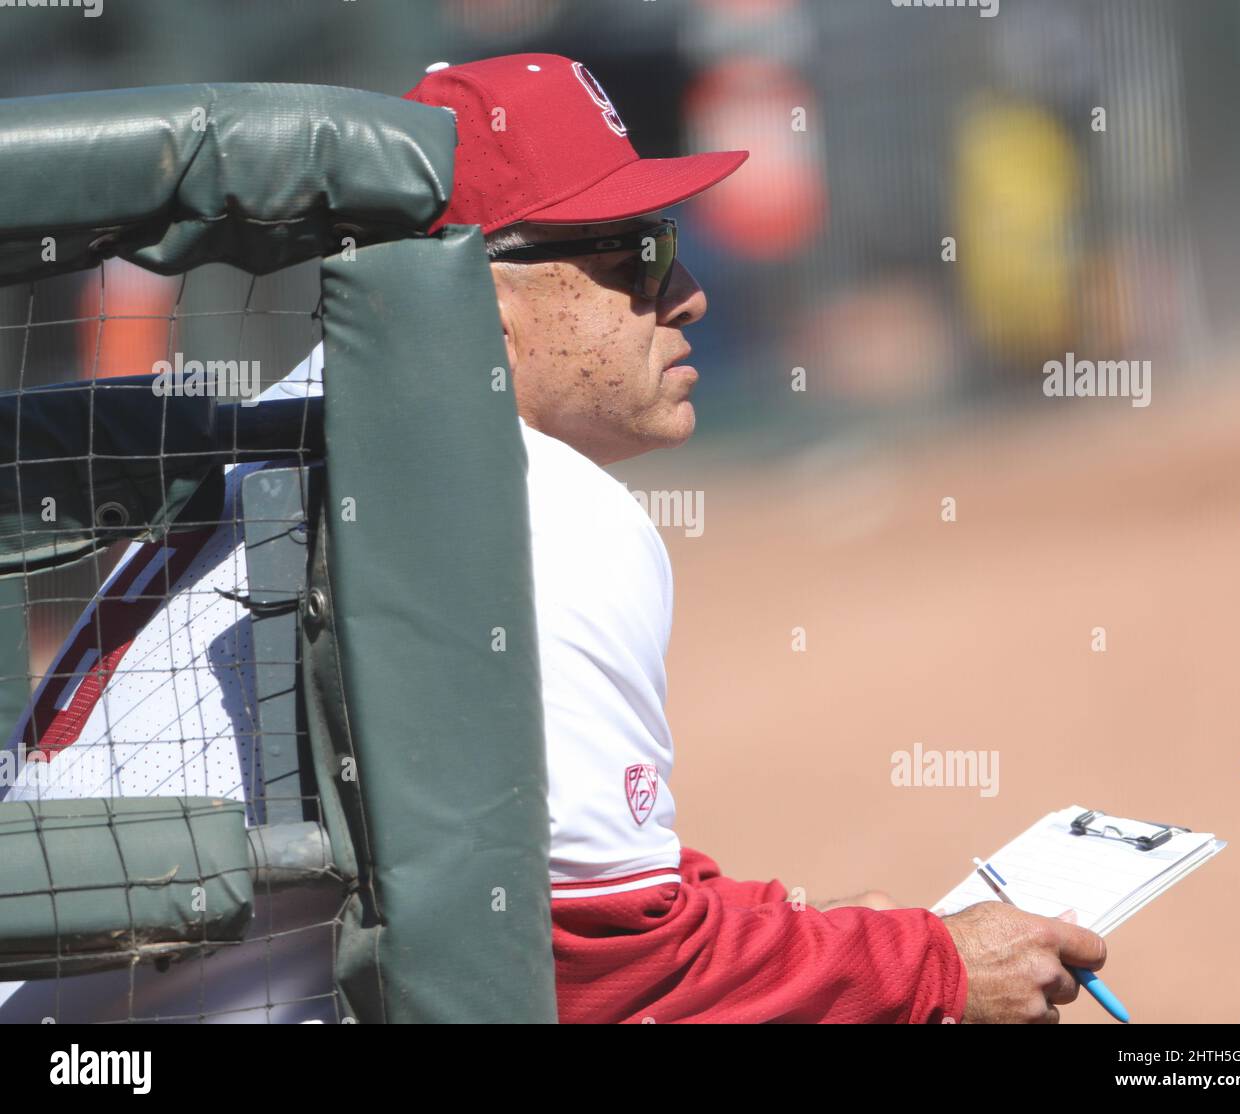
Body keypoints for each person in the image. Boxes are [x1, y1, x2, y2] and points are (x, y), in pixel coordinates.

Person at [0, 53, 1105, 1023]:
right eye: (633, 252)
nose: (686, 294)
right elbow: (597, 971)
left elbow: (528, 888)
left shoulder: (287, 416)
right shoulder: (534, 503)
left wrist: (791, 932)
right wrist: (932, 969)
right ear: (474, 288)